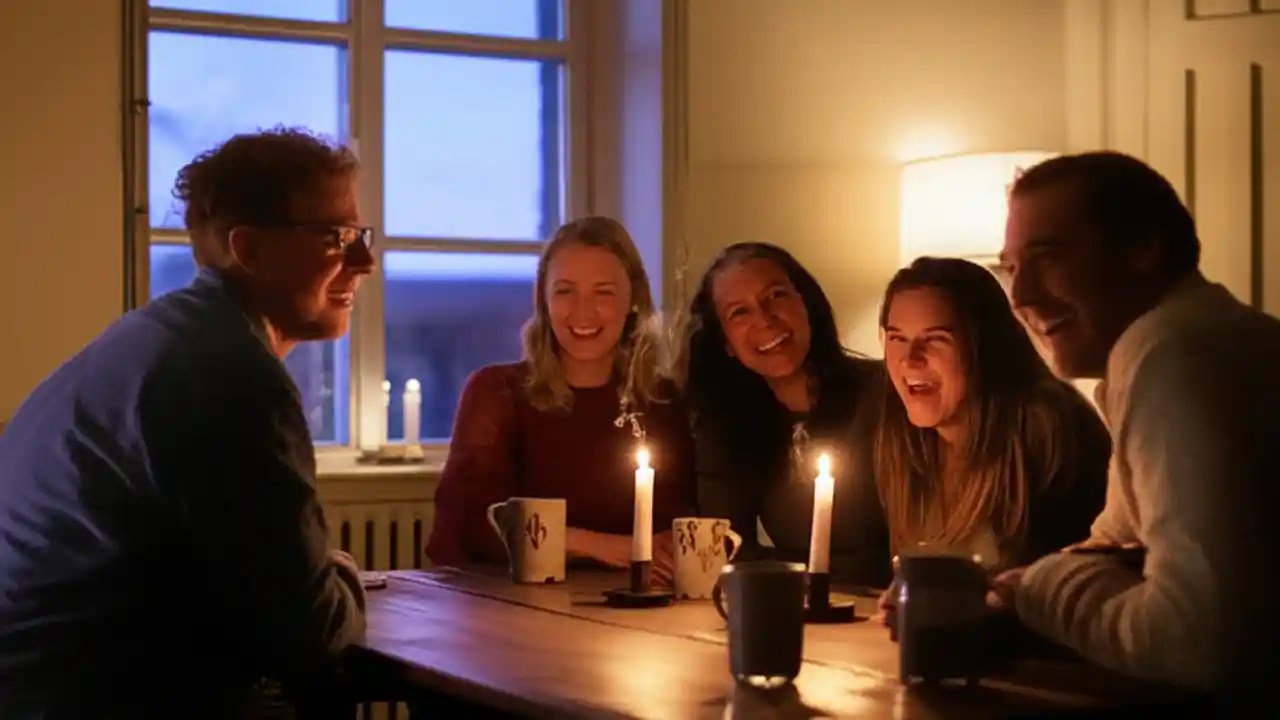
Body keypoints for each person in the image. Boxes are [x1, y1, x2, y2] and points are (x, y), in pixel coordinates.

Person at [0, 128, 372, 717]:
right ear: (250, 250)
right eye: (337, 237)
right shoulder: (229, 376)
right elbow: (311, 632)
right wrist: (342, 578)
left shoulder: (158, 335)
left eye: (360, 236)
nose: (365, 262)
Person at [994, 151, 1280, 692]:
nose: (1020, 295)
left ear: (1142, 249)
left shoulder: (1174, 354)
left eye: (1046, 257)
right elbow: (1117, 544)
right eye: (1012, 268)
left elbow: (1197, 641)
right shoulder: (1201, 339)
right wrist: (1009, 585)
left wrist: (1038, 587)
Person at [426, 216, 696, 581]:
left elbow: (675, 525)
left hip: (629, 608)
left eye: (603, 292)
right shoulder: (497, 392)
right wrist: (608, 547)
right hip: (509, 605)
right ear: (544, 301)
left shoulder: (661, 401)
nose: (583, 312)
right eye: (565, 291)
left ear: (633, 300)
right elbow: (474, 527)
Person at [875, 257, 1109, 572]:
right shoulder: (900, 435)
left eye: (936, 339)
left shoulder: (1046, 429)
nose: (910, 360)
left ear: (984, 345)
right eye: (897, 338)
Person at [678, 242, 891, 587]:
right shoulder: (727, 427)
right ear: (727, 345)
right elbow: (731, 548)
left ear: (805, 302)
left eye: (775, 296)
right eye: (739, 313)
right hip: (798, 611)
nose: (764, 319)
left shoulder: (884, 395)